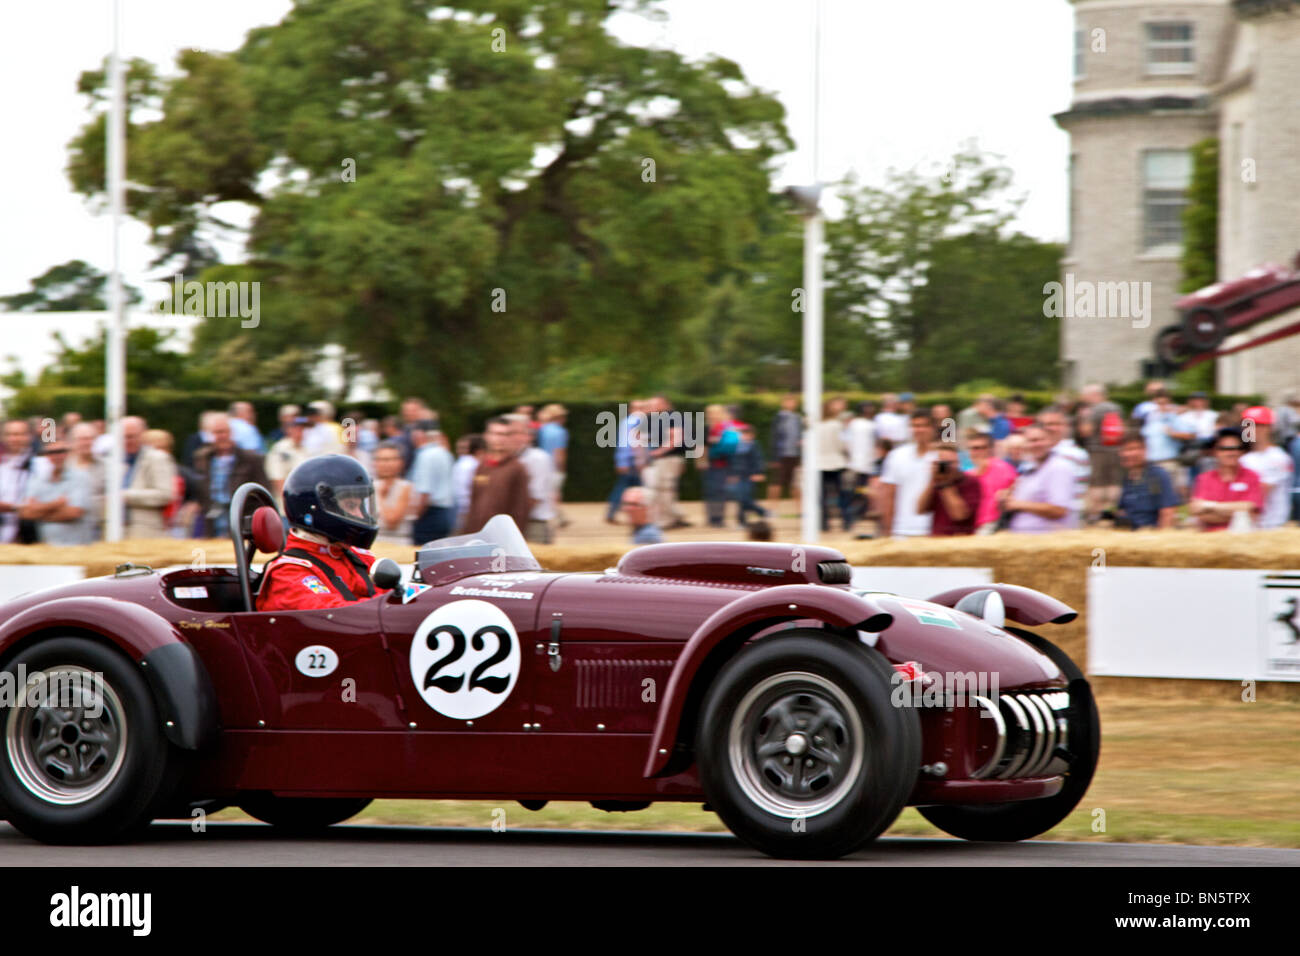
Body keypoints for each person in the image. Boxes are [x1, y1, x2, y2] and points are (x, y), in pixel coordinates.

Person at [257, 455, 389, 611]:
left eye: (361, 507)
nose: (361, 516)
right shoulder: (288, 573)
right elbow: (334, 616)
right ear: (317, 508)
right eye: (351, 506)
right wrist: (389, 604)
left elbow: (392, 596)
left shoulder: (358, 557)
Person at [192, 413, 269, 538]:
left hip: (241, 517)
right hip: (212, 519)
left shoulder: (251, 459)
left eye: (225, 432)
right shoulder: (202, 458)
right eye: (217, 432)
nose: (222, 436)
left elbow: (263, 492)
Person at [1002, 424, 1078, 533]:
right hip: (1024, 539)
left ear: (1051, 442)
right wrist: (1007, 498)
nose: (1035, 444)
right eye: (1030, 441)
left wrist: (1017, 504)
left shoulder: (1058, 467)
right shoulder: (1030, 468)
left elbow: (1059, 510)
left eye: (1039, 440)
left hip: (1045, 541)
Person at [462, 416, 530, 532]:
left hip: (501, 538)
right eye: (496, 434)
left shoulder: (516, 468)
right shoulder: (482, 466)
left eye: (505, 434)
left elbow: (521, 510)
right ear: (486, 436)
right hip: (476, 535)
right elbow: (474, 503)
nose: (500, 439)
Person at [878, 410, 940, 537]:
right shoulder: (896, 455)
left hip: (933, 529)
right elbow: (889, 495)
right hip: (901, 530)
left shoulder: (942, 456)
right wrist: (887, 530)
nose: (919, 430)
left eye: (924, 425)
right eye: (915, 426)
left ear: (933, 428)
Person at [20, 439, 94, 545]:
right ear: (46, 456)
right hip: (46, 548)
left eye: (61, 451)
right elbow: (26, 512)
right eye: (52, 452)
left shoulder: (81, 477)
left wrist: (39, 512)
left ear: (68, 454)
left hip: (76, 547)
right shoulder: (38, 479)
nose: (57, 456)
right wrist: (56, 504)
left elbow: (73, 513)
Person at [1189, 429, 1263, 531]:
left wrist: (1209, 506)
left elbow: (1251, 510)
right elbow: (1199, 512)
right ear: (1215, 452)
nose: (1231, 453)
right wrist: (1237, 512)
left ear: (1242, 451)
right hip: (1210, 540)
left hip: (1243, 539)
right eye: (1225, 449)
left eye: (1237, 448)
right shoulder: (1204, 478)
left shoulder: (1252, 477)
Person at [122, 416, 178, 539]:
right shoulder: (115, 460)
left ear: (143, 435)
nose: (127, 441)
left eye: (131, 436)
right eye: (124, 436)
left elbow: (166, 494)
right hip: (119, 531)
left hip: (146, 531)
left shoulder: (158, 458)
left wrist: (125, 496)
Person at [1239, 406, 1292, 529]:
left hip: (1272, 525)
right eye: (1247, 425)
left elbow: (1260, 492)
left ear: (1269, 428)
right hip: (1250, 524)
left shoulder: (1278, 457)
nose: (1251, 430)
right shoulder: (1244, 458)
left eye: (1258, 425)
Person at [1076, 384, 1123, 522]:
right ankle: (1110, 511)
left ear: (1094, 395)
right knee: (1113, 481)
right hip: (1115, 449)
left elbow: (1086, 431)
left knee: (1097, 482)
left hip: (1097, 450)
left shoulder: (1094, 410)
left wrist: (1082, 418)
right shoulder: (1116, 407)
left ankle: (1097, 513)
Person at [1113, 432, 1179, 529]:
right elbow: (1123, 511)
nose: (1128, 454)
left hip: (1150, 536)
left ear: (1144, 451)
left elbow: (1167, 512)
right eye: (1125, 450)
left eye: (1133, 449)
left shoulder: (1156, 476)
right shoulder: (1127, 479)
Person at [918, 440, 981, 536]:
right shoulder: (936, 481)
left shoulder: (971, 482)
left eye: (951, 462)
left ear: (959, 462)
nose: (948, 467)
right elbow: (920, 509)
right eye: (943, 463)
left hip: (962, 542)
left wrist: (945, 483)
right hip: (938, 540)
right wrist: (932, 480)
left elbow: (959, 515)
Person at [511, 414, 556, 544]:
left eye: (516, 433)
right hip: (512, 524)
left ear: (529, 436)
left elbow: (535, 496)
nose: (512, 438)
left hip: (533, 523)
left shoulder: (538, 458)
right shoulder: (507, 459)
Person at [409, 420, 455, 543]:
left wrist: (416, 517)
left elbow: (425, 492)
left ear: (419, 435)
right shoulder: (445, 453)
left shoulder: (426, 455)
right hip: (444, 513)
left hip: (430, 514)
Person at [965, 431, 1017, 533]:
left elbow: (1015, 490)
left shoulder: (1003, 467)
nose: (978, 452)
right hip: (972, 526)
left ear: (990, 449)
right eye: (974, 448)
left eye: (982, 448)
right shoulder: (967, 474)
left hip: (994, 525)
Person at [815, 397, 849, 532]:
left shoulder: (816, 426)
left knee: (822, 496)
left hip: (820, 464)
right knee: (841, 494)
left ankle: (824, 523)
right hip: (835, 462)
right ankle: (845, 521)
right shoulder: (836, 425)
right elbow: (841, 444)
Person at [372, 440, 414, 544]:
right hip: (374, 541)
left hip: (397, 542)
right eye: (381, 460)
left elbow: (392, 521)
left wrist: (381, 496)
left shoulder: (405, 487)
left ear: (400, 463)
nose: (386, 464)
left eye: (391, 459)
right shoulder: (370, 485)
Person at [0, 418, 34, 543]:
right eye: (10, 435)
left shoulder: (41, 464)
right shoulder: (3, 466)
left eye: (19, 434)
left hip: (30, 535)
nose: (14, 439)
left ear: (29, 436)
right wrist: (16, 508)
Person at [844, 401, 877, 530]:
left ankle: (853, 515)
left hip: (858, 463)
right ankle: (854, 514)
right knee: (860, 490)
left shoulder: (854, 424)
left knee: (858, 490)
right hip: (863, 464)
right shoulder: (870, 425)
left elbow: (847, 442)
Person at [537, 404, 570, 529]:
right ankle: (559, 517)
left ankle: (560, 517)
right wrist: (561, 467)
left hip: (542, 465)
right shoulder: (560, 431)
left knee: (550, 492)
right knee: (554, 493)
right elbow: (559, 451)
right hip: (553, 466)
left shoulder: (542, 429)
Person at [729, 423, 769, 527]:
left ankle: (761, 512)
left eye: (748, 434)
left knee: (746, 498)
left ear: (752, 435)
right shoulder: (737, 446)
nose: (745, 436)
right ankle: (746, 519)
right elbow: (733, 461)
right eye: (744, 434)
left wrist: (759, 472)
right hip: (739, 476)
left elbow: (758, 460)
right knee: (740, 499)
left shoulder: (754, 446)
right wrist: (732, 474)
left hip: (750, 476)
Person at [265, 416, 311, 502]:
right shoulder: (280, 449)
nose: (301, 431)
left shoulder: (305, 448)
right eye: (297, 427)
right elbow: (278, 479)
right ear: (288, 429)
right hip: (289, 502)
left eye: (303, 428)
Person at [771, 394, 802, 500]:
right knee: (777, 481)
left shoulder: (798, 418)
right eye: (788, 401)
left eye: (793, 401)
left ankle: (799, 510)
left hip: (795, 454)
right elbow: (774, 437)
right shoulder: (779, 418)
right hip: (782, 453)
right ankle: (772, 508)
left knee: (796, 482)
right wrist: (774, 456)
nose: (791, 404)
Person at [451, 434, 485, 532]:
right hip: (466, 510)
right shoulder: (473, 465)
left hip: (458, 508)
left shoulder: (460, 463)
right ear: (480, 451)